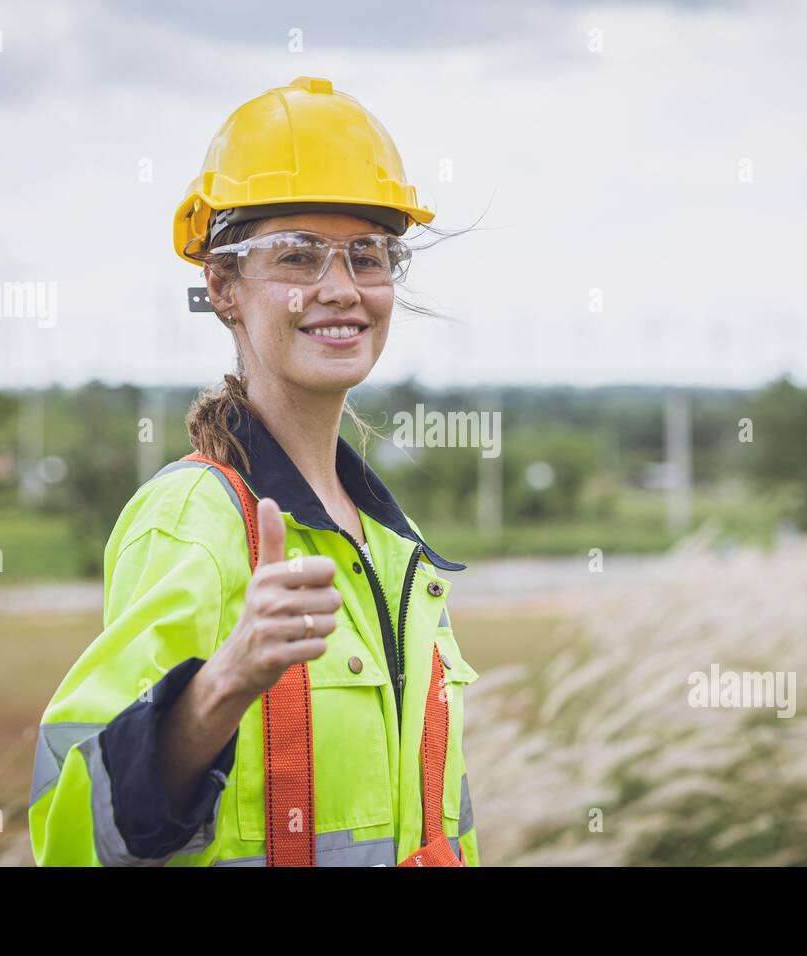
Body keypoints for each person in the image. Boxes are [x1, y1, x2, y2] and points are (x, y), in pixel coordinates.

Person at [28, 76, 481, 867]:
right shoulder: (192, 524)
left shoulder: (395, 551)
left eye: (366, 256)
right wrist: (223, 685)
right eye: (299, 257)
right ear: (222, 287)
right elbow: (74, 839)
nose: (340, 288)